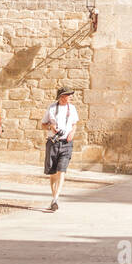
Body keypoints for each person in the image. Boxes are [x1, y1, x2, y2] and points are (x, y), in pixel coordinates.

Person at [39, 85, 78, 213]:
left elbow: (74, 124)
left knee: (62, 170)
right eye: (68, 95)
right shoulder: (51, 108)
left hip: (66, 143)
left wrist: (72, 133)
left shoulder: (72, 108)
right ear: (62, 97)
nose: (70, 97)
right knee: (53, 173)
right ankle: (54, 197)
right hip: (53, 142)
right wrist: (51, 127)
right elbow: (43, 125)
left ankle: (56, 199)